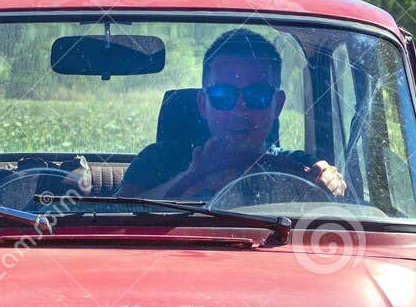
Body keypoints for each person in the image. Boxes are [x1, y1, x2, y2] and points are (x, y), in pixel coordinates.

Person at [121, 28, 347, 200]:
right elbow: (114, 215)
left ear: (277, 105)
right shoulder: (157, 160)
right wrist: (192, 177)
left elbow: (338, 215)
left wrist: (330, 184)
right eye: (223, 95)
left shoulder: (297, 166)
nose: (240, 109)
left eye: (257, 95)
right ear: (203, 104)